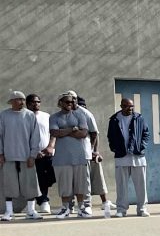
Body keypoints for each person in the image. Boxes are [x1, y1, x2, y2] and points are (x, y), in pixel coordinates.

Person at [0, 91, 43, 221]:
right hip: (9, 156)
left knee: (30, 184)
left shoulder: (30, 115)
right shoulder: (4, 115)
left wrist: (32, 155)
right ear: (12, 101)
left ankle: (31, 211)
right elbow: (0, 136)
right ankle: (9, 212)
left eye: (23, 100)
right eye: (19, 100)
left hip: (27, 157)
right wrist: (1, 153)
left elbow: (35, 137)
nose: (22, 102)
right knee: (9, 184)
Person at [50, 93, 92, 219]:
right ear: (60, 103)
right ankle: (65, 208)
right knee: (65, 184)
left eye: (71, 102)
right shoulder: (54, 117)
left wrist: (65, 131)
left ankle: (81, 208)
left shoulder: (80, 115)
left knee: (80, 184)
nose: (70, 104)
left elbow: (83, 133)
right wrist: (72, 129)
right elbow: (55, 132)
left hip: (79, 156)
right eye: (67, 102)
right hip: (62, 157)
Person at [107, 97, 151, 217]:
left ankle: (142, 208)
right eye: (126, 106)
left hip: (138, 156)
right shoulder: (114, 119)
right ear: (121, 106)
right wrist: (114, 148)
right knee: (121, 185)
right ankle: (121, 209)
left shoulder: (139, 118)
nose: (130, 109)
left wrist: (142, 146)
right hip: (121, 157)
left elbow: (146, 134)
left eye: (131, 106)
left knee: (141, 185)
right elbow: (110, 136)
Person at [69, 93, 112, 218]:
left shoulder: (86, 115)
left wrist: (95, 151)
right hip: (72, 154)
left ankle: (101, 202)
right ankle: (71, 206)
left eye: (82, 105)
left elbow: (95, 134)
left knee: (94, 179)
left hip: (88, 154)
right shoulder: (67, 115)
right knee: (73, 181)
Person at [26, 93, 55, 214]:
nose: (36, 104)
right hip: (32, 154)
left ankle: (42, 199)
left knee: (48, 178)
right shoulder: (25, 117)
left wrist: (50, 147)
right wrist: (33, 152)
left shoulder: (46, 116)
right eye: (33, 102)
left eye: (38, 102)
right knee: (35, 179)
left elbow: (53, 133)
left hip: (47, 154)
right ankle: (43, 201)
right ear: (28, 104)